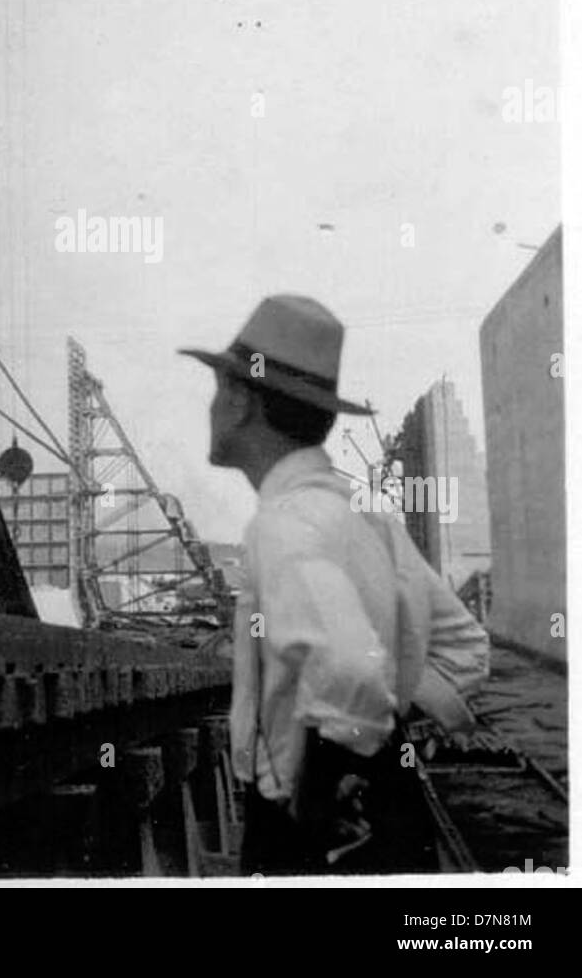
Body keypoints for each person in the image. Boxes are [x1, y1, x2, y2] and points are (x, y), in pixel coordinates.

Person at [180, 294, 489, 875]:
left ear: (242, 400)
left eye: (219, 389)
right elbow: (467, 648)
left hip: (309, 834)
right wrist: (393, 728)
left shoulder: (284, 525)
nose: (212, 406)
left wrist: (325, 792)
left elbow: (348, 670)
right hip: (389, 818)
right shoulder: (371, 521)